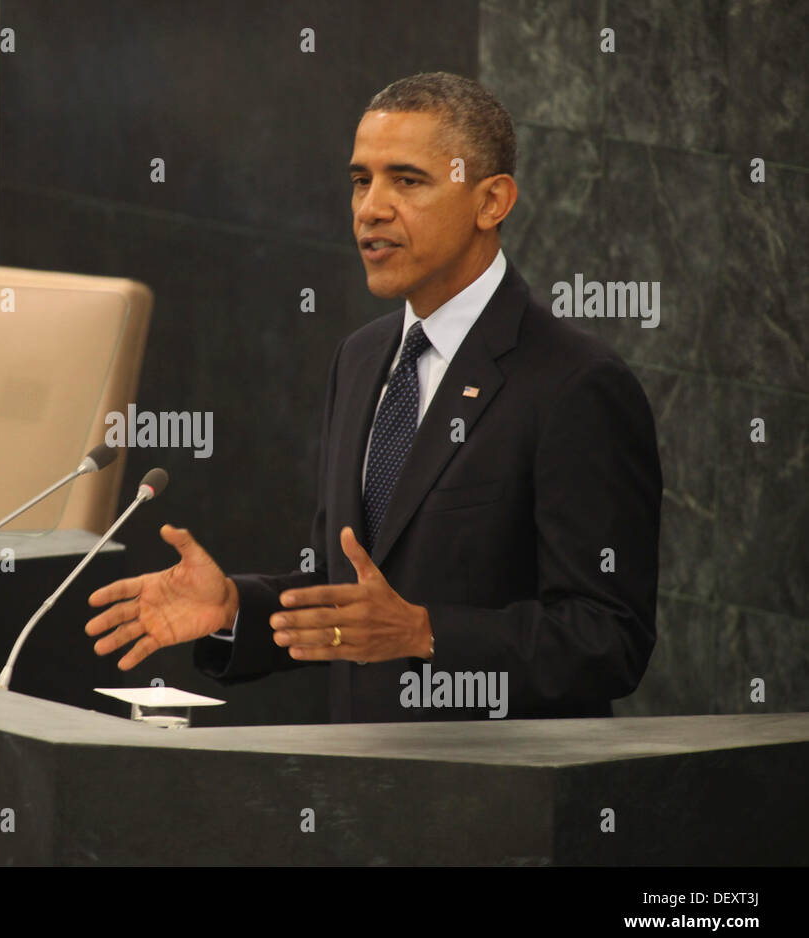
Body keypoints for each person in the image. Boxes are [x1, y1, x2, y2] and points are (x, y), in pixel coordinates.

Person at [85, 72, 662, 722]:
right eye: (361, 181)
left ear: (492, 200)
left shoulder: (575, 383)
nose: (371, 208)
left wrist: (426, 633)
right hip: (361, 793)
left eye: (407, 181)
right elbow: (349, 597)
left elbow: (609, 639)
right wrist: (235, 609)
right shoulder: (361, 358)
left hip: (502, 807)